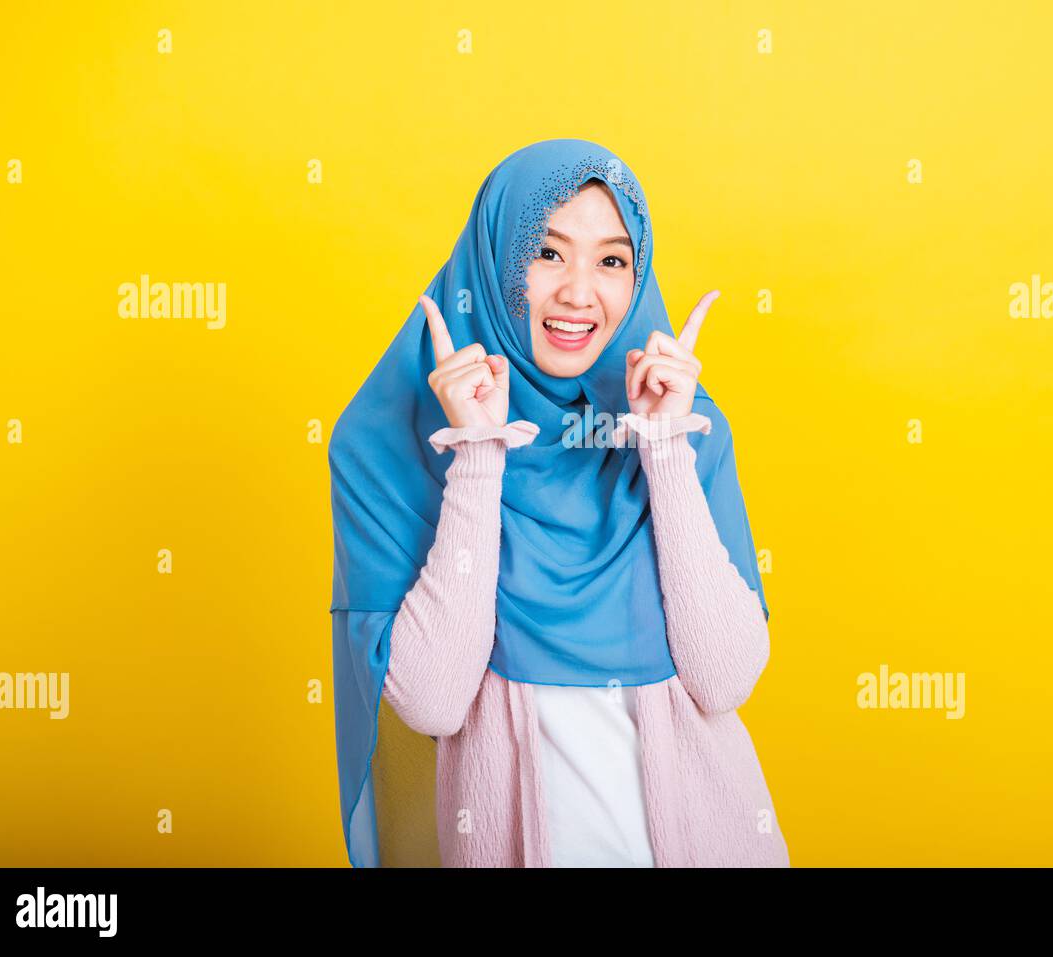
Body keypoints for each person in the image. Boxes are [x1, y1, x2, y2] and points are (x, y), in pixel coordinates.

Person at [328, 138, 788, 867]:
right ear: (494, 260)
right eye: (547, 253)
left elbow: (727, 675)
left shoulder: (683, 427)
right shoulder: (392, 443)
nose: (579, 292)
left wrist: (665, 451)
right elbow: (434, 700)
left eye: (611, 260)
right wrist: (476, 456)